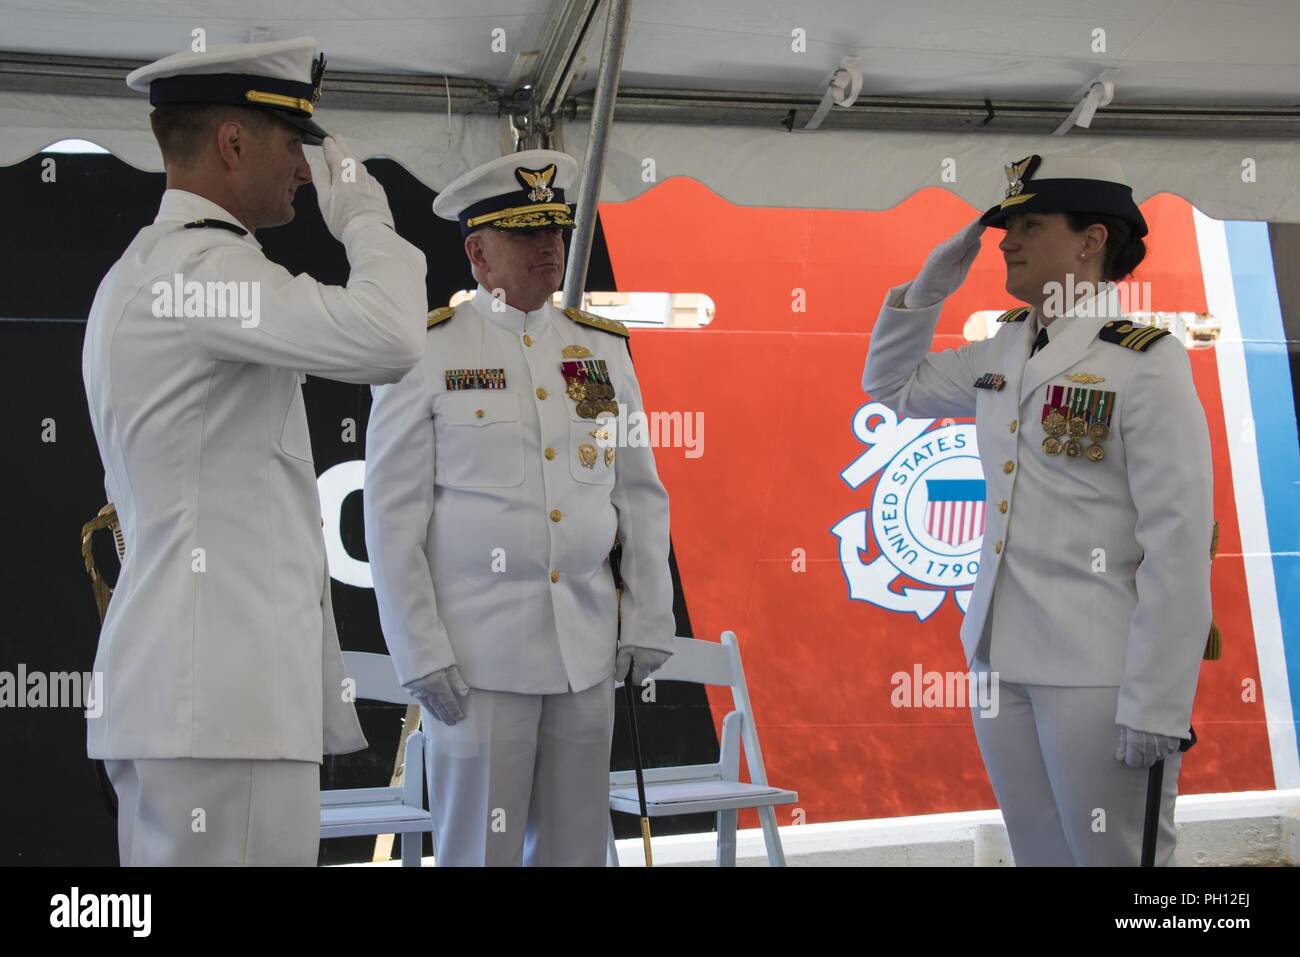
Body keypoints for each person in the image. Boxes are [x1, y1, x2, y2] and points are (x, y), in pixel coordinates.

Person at [82, 36, 428, 865]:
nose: (304, 171)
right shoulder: (202, 272)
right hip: (218, 707)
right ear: (233, 144)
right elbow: (389, 335)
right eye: (290, 142)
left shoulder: (151, 269)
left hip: (206, 703)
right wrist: (367, 218)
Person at [861, 154, 1213, 865]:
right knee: (1040, 854)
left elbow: (1177, 543)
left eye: (1029, 224)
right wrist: (927, 289)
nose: (1006, 241)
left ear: (1090, 242)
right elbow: (890, 386)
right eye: (1004, 226)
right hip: (999, 658)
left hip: (1098, 672)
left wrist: (1158, 701)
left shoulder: (1142, 362)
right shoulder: (1005, 347)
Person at [364, 149, 675, 865]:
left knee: (575, 853)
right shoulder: (428, 352)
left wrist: (650, 613)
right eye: (528, 235)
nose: (550, 249)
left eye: (556, 231)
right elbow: (391, 518)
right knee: (483, 851)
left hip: (585, 655)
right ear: (479, 253)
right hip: (479, 663)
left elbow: (638, 493)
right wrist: (418, 649)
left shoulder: (597, 351)